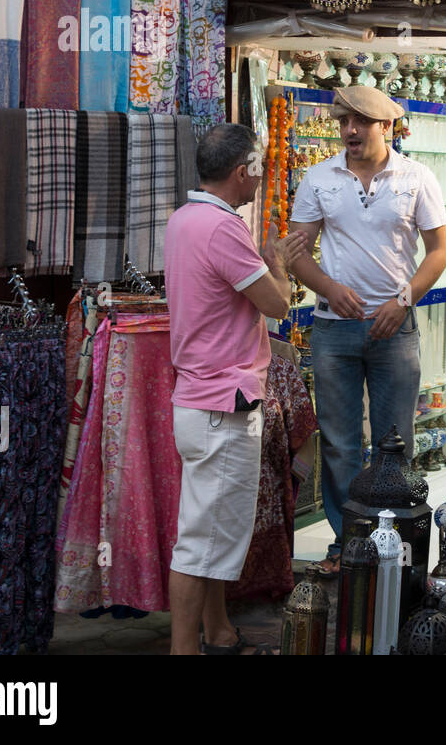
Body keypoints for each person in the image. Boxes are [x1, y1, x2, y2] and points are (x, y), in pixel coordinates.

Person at [287, 86, 446, 575]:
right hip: (334, 329)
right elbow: (294, 251)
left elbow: (439, 252)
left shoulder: (417, 178)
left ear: (386, 127)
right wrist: (328, 287)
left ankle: (393, 542)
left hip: (394, 330)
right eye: (343, 122)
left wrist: (403, 302)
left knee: (393, 439)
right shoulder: (318, 178)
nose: (349, 131)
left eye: (360, 122)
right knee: (338, 441)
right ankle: (346, 543)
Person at [165, 123, 307, 656]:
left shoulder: (185, 219)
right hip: (221, 404)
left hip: (202, 400)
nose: (261, 177)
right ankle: (185, 649)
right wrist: (278, 264)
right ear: (243, 171)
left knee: (211, 533)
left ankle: (218, 630)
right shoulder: (224, 229)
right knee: (200, 542)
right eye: (259, 168)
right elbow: (276, 304)